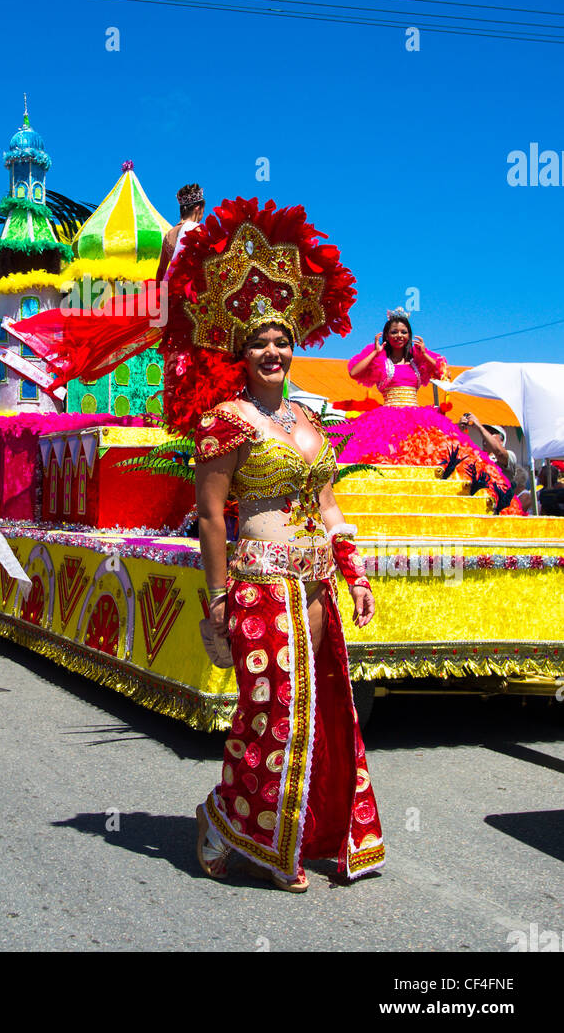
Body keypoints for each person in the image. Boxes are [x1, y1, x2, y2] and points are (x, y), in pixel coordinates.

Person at [161, 195, 384, 889]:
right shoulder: (224, 420)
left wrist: (354, 573)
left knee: (318, 714)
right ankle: (225, 819)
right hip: (259, 583)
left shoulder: (308, 421)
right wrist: (219, 599)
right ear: (238, 351)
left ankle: (299, 833)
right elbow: (209, 515)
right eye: (258, 342)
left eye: (281, 341)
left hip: (313, 583)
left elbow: (325, 500)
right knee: (268, 717)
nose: (272, 351)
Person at [338, 314, 520, 506]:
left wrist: (424, 354)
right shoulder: (381, 360)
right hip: (387, 419)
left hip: (418, 419)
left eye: (403, 332)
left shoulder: (417, 360)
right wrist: (375, 352)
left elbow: (444, 374)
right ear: (386, 335)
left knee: (438, 456)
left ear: (409, 335)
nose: (399, 335)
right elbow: (354, 372)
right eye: (394, 332)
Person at [156, 183, 205, 282]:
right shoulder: (197, 229)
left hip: (173, 290)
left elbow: (161, 271)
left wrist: (161, 295)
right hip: (193, 291)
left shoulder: (168, 236)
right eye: (203, 211)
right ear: (197, 208)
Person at [459, 413, 517, 480]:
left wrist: (480, 427)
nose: (485, 436)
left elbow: (500, 453)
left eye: (491, 433)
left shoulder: (510, 455)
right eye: (486, 432)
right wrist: (460, 430)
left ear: (501, 440)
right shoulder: (476, 456)